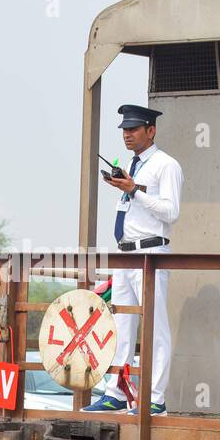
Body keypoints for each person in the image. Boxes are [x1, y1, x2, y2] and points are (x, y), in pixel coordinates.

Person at [84, 104, 183, 415]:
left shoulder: (166, 165)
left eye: (134, 129)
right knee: (121, 324)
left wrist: (134, 190)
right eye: (125, 130)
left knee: (155, 327)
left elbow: (171, 212)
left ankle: (155, 398)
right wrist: (126, 185)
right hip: (126, 252)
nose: (127, 134)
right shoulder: (134, 165)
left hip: (151, 251)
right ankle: (116, 392)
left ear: (150, 130)